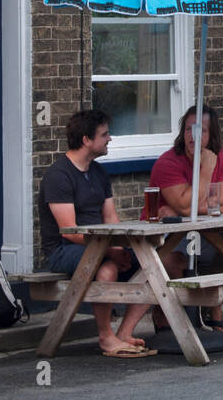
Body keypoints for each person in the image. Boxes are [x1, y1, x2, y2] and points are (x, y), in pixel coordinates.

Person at [38, 109, 155, 358]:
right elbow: (69, 231)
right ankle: (105, 336)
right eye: (104, 134)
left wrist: (121, 247)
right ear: (86, 140)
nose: (109, 139)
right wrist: (110, 250)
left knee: (156, 263)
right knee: (107, 269)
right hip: (63, 250)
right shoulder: (58, 176)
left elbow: (111, 218)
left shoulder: (99, 173)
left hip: (101, 245)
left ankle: (123, 333)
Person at [149, 104, 223, 330]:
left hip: (208, 234)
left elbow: (220, 204)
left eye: (200, 131)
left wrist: (185, 207)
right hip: (169, 238)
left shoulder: (221, 156)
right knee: (172, 262)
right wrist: (205, 171)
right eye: (188, 130)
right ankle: (166, 319)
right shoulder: (168, 162)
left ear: (212, 134)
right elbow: (186, 206)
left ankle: (214, 303)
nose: (193, 137)